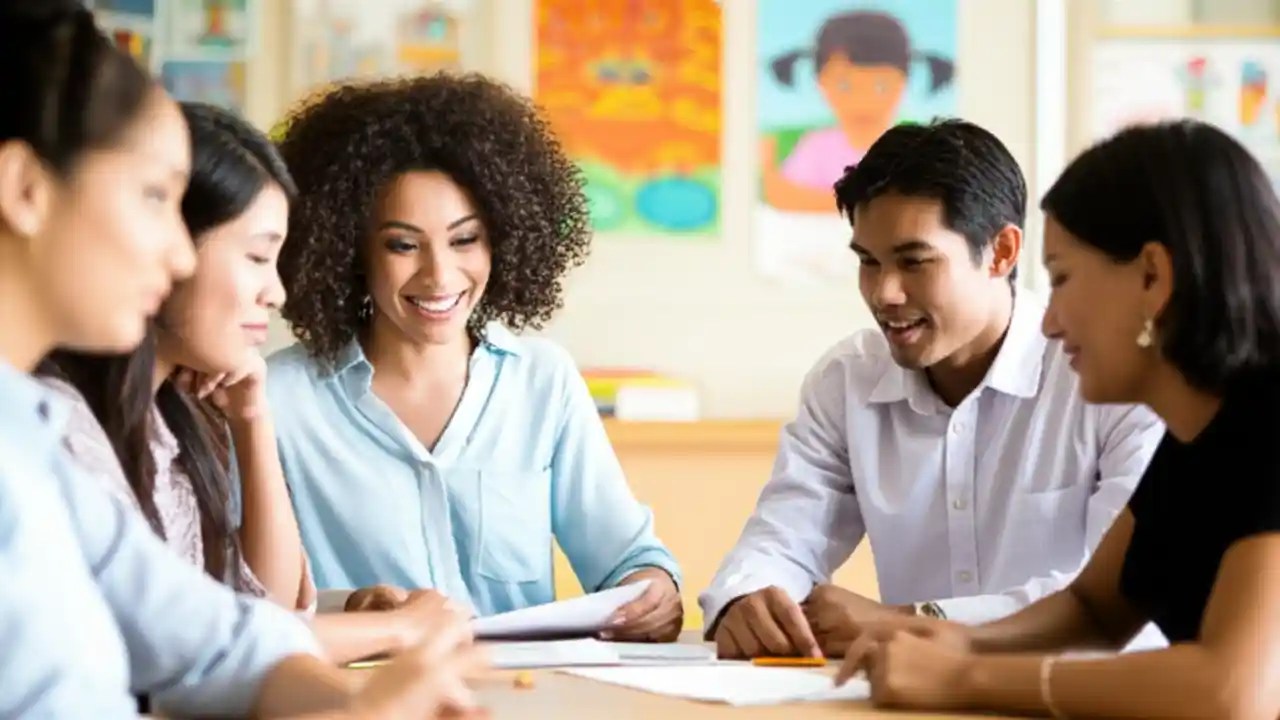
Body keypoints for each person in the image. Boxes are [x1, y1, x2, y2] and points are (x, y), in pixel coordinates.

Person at [0, 4, 481, 717]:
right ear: (26, 190)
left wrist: (357, 709)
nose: (177, 251)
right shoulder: (49, 432)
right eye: (155, 197)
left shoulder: (27, 433)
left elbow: (215, 642)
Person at [832, 120, 1280, 718]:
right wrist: (947, 639)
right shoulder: (1197, 434)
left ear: (1153, 276)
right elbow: (1094, 610)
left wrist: (966, 677)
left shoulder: (1272, 427)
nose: (1048, 322)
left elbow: (1233, 691)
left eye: (1063, 278)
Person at [701, 119, 1166, 660]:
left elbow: (1125, 602)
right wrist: (748, 596)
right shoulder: (846, 382)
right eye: (868, 263)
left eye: (914, 262)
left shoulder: (1109, 379)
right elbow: (784, 536)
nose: (884, 293)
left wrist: (911, 623)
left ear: (1001, 252)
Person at [38, 101, 457, 666]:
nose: (276, 293)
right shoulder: (59, 425)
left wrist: (252, 421)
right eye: (258, 256)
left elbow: (265, 605)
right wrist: (399, 631)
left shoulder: (172, 421)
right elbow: (188, 648)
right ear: (169, 242)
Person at [268, 73, 684, 641]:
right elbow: (243, 597)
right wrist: (348, 607)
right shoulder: (279, 399)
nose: (440, 275)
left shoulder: (543, 381)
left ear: (502, 238)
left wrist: (653, 588)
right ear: (349, 249)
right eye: (403, 244)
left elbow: (626, 559)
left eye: (465, 239)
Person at [761, 10, 954, 213]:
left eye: (881, 86)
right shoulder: (817, 148)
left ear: (904, 82)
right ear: (821, 83)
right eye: (845, 86)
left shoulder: (914, 150)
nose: (863, 100)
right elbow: (786, 197)